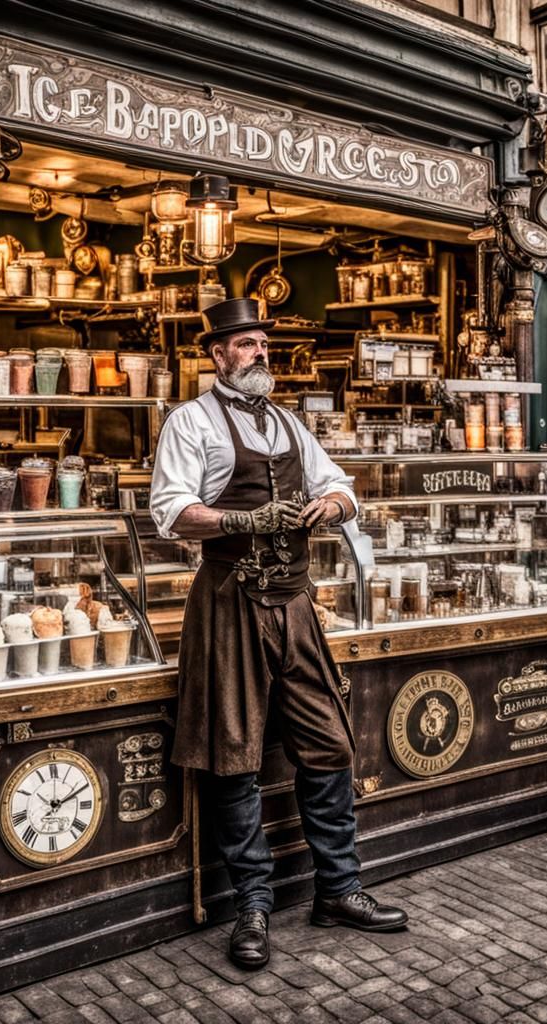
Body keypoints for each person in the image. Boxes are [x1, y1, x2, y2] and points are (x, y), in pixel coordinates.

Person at [151, 298, 408, 971]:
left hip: (295, 603)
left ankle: (339, 890)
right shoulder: (191, 421)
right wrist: (247, 522)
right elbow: (171, 513)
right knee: (233, 754)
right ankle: (253, 908)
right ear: (215, 355)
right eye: (243, 344)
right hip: (229, 603)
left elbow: (343, 485)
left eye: (262, 343)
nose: (258, 352)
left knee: (328, 742)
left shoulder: (291, 424)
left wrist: (332, 504)